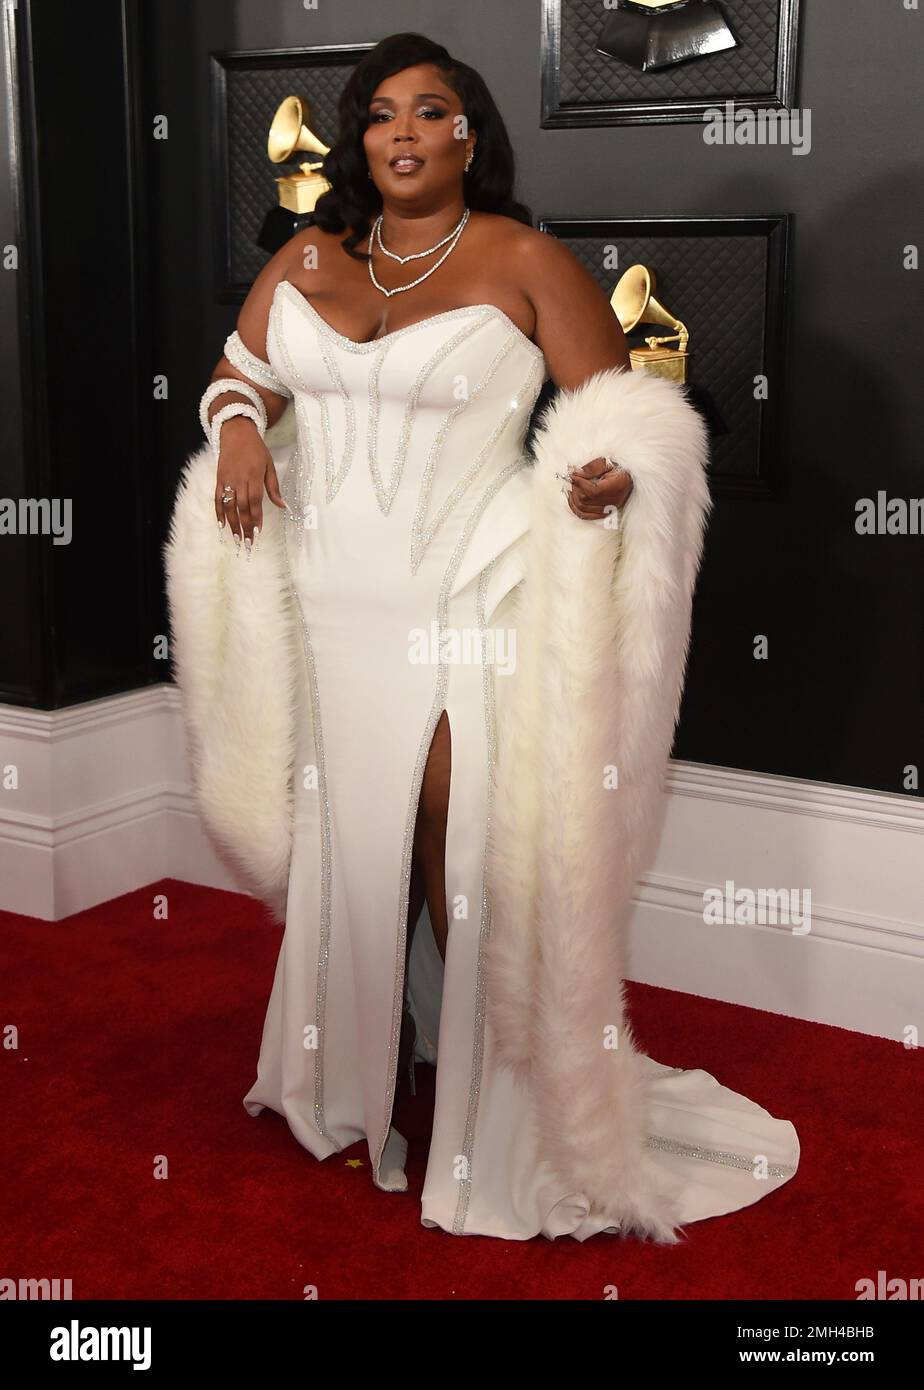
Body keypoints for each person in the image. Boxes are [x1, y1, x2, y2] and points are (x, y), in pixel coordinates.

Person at [165, 31, 799, 1242]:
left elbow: (624, 416)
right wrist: (241, 425)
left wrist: (608, 481)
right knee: (356, 845)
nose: (403, 131)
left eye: (432, 111)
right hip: (323, 610)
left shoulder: (521, 257)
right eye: (381, 113)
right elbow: (233, 377)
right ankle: (353, 1085)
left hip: (467, 607)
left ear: (469, 136)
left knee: (467, 854)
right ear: (360, 140)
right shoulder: (306, 256)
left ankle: (509, 1114)